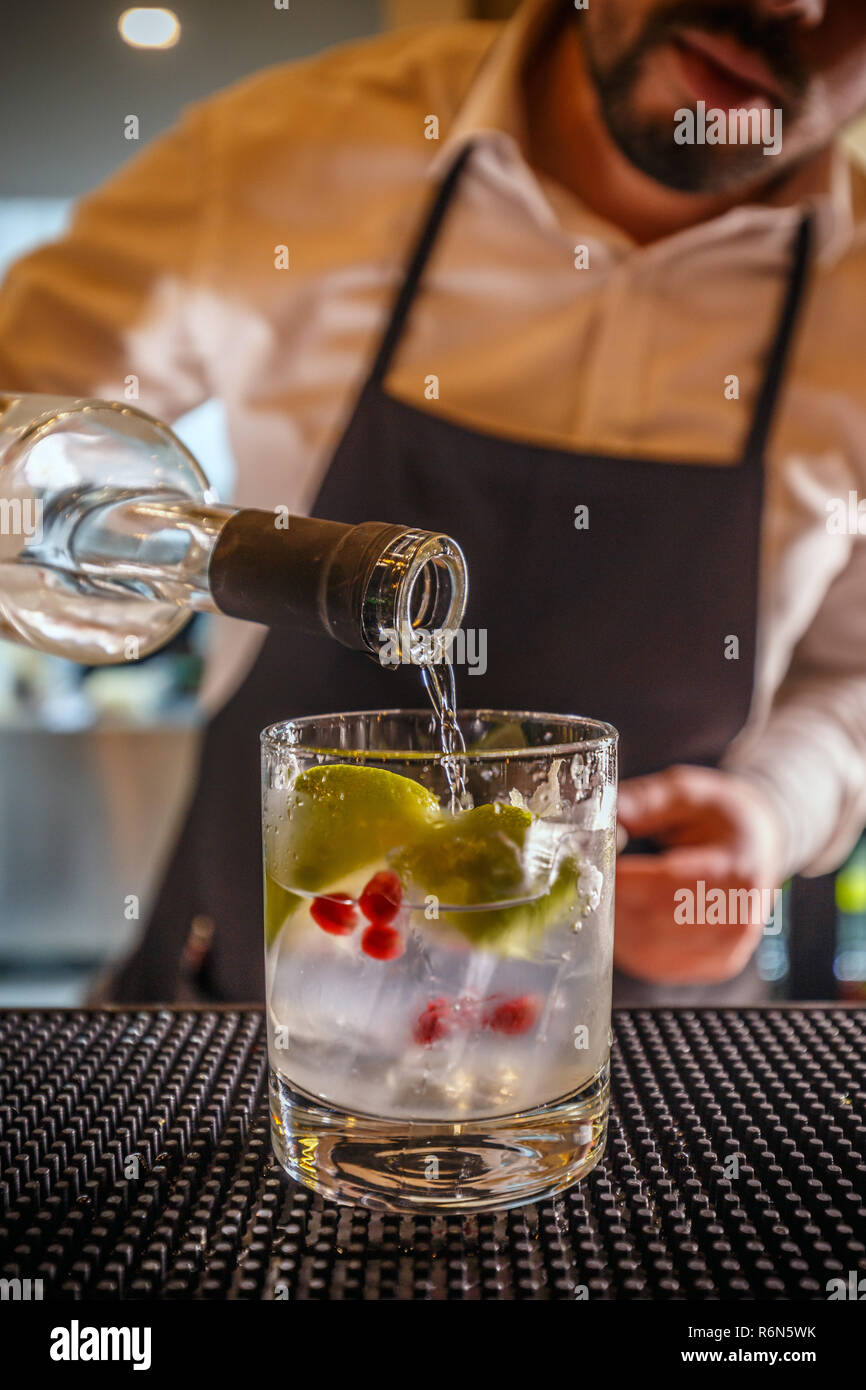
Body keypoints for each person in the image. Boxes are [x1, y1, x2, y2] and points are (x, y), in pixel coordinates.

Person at [1, 0, 865, 1003]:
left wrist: (769, 807)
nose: (786, 2)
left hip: (629, 1038)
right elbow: (23, 426)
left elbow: (850, 671)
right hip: (250, 1007)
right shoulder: (293, 151)